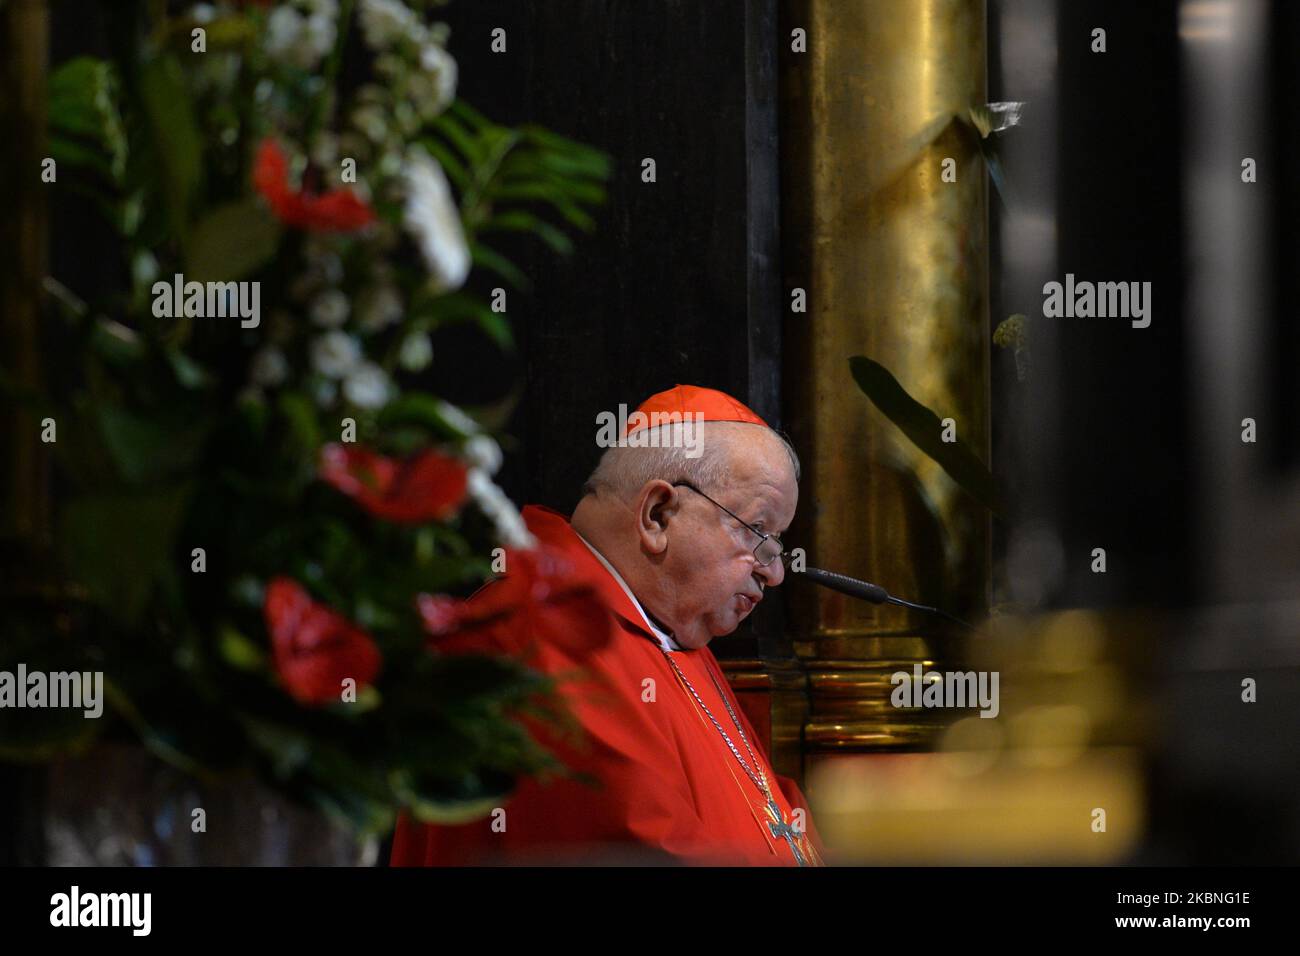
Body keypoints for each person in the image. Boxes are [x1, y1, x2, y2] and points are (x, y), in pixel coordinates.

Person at [390, 385, 824, 866]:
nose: (775, 571)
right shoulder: (543, 640)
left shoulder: (668, 627)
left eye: (777, 543)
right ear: (658, 515)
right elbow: (641, 844)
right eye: (757, 532)